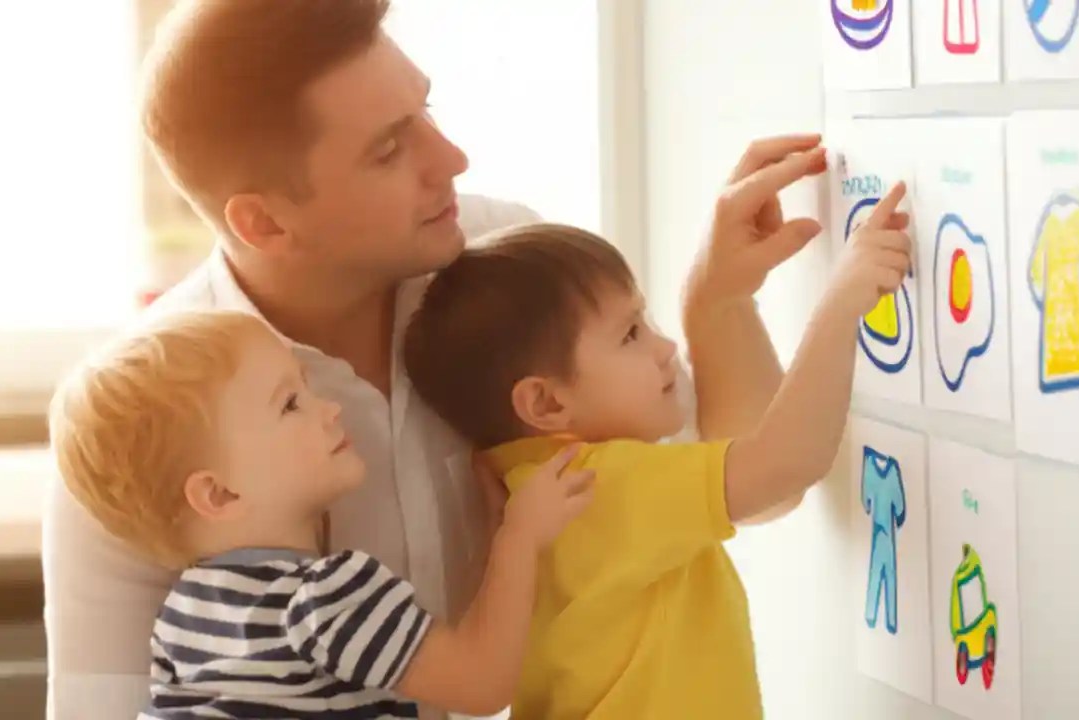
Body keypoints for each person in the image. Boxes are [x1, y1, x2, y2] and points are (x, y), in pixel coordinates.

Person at [41, 1, 834, 718]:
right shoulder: (144, 425)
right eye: (389, 149)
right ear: (264, 223)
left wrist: (720, 303)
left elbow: (739, 483)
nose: (451, 157)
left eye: (425, 111)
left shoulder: (499, 262)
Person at [400, 184, 911, 719]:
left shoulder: (525, 486)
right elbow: (785, 462)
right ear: (546, 402)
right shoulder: (592, 485)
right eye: (630, 335)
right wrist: (842, 301)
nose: (664, 348)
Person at [48, 309, 595, 718]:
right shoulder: (330, 595)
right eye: (290, 403)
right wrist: (519, 537)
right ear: (218, 494)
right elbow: (481, 686)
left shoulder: (184, 618)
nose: (330, 408)